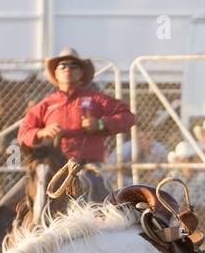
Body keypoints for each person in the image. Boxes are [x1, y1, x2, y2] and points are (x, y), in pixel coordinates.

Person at [17, 47, 135, 201]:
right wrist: (41, 133)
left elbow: (128, 117)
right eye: (62, 66)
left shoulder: (96, 100)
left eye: (74, 66)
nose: (68, 69)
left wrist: (100, 124)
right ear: (56, 73)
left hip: (88, 168)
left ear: (81, 73)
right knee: (12, 204)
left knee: (104, 207)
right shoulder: (45, 105)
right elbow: (23, 134)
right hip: (52, 169)